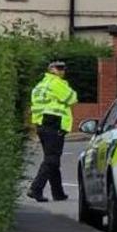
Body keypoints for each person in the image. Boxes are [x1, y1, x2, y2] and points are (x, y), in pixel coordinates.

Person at [28, 60, 78, 202]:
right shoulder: (56, 83)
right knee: (52, 159)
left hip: (41, 124)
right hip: (54, 124)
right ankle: (36, 188)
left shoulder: (40, 85)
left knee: (52, 160)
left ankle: (58, 193)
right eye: (59, 68)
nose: (62, 71)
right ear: (51, 70)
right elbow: (72, 98)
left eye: (63, 68)